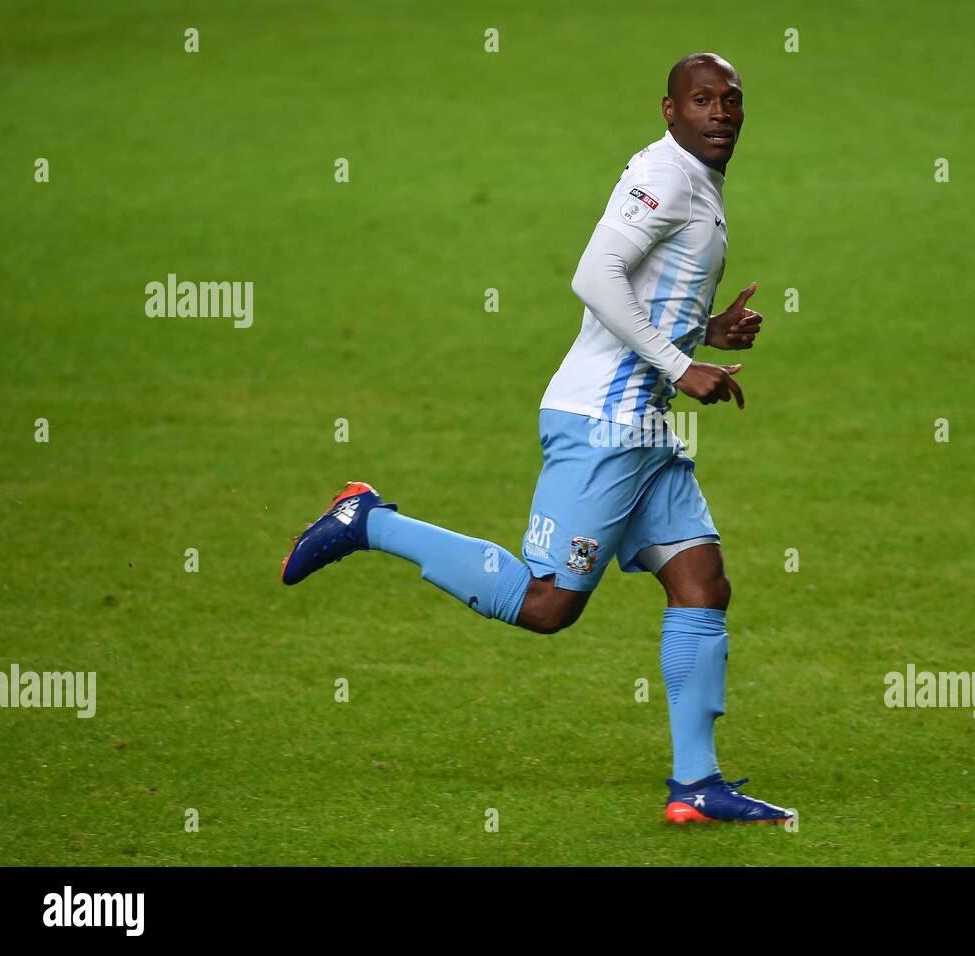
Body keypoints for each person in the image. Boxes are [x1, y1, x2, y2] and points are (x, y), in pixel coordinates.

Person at [281, 52, 792, 825]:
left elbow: (645, 292)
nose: (719, 112)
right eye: (701, 100)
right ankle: (368, 521)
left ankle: (696, 787)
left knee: (702, 584)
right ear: (669, 110)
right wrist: (681, 364)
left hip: (645, 430)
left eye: (731, 100)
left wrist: (703, 329)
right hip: (604, 424)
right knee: (548, 604)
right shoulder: (665, 175)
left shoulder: (699, 182)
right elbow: (595, 275)